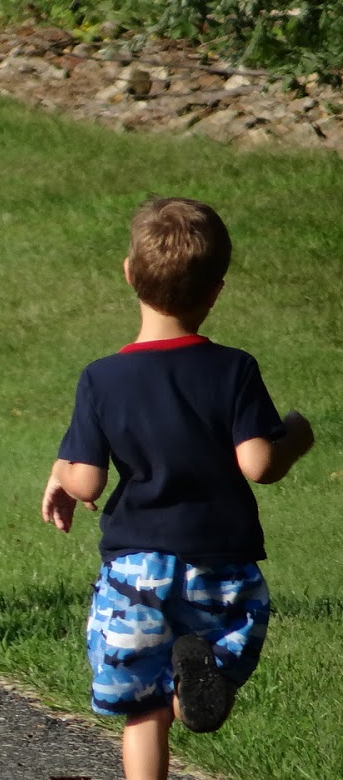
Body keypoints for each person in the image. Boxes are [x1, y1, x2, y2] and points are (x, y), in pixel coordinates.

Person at [41, 196, 313, 780]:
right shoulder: (233, 368)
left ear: (128, 274)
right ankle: (204, 670)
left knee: (142, 711)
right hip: (221, 562)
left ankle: (184, 689)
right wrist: (296, 434)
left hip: (137, 569)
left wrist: (60, 475)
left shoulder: (103, 377)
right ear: (216, 290)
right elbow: (259, 463)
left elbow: (87, 478)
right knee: (214, 653)